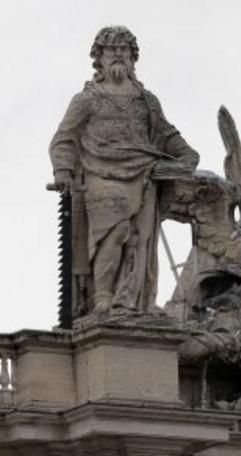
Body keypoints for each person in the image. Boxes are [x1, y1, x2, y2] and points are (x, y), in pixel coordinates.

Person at [49, 26, 198, 317]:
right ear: (100, 58)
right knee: (115, 231)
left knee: (139, 240)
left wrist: (186, 154)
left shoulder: (147, 101)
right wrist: (63, 169)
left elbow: (167, 134)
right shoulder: (86, 99)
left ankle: (129, 301)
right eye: (111, 50)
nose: (118, 55)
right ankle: (103, 296)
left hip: (144, 175)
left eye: (124, 50)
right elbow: (63, 139)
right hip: (100, 173)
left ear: (132, 58)